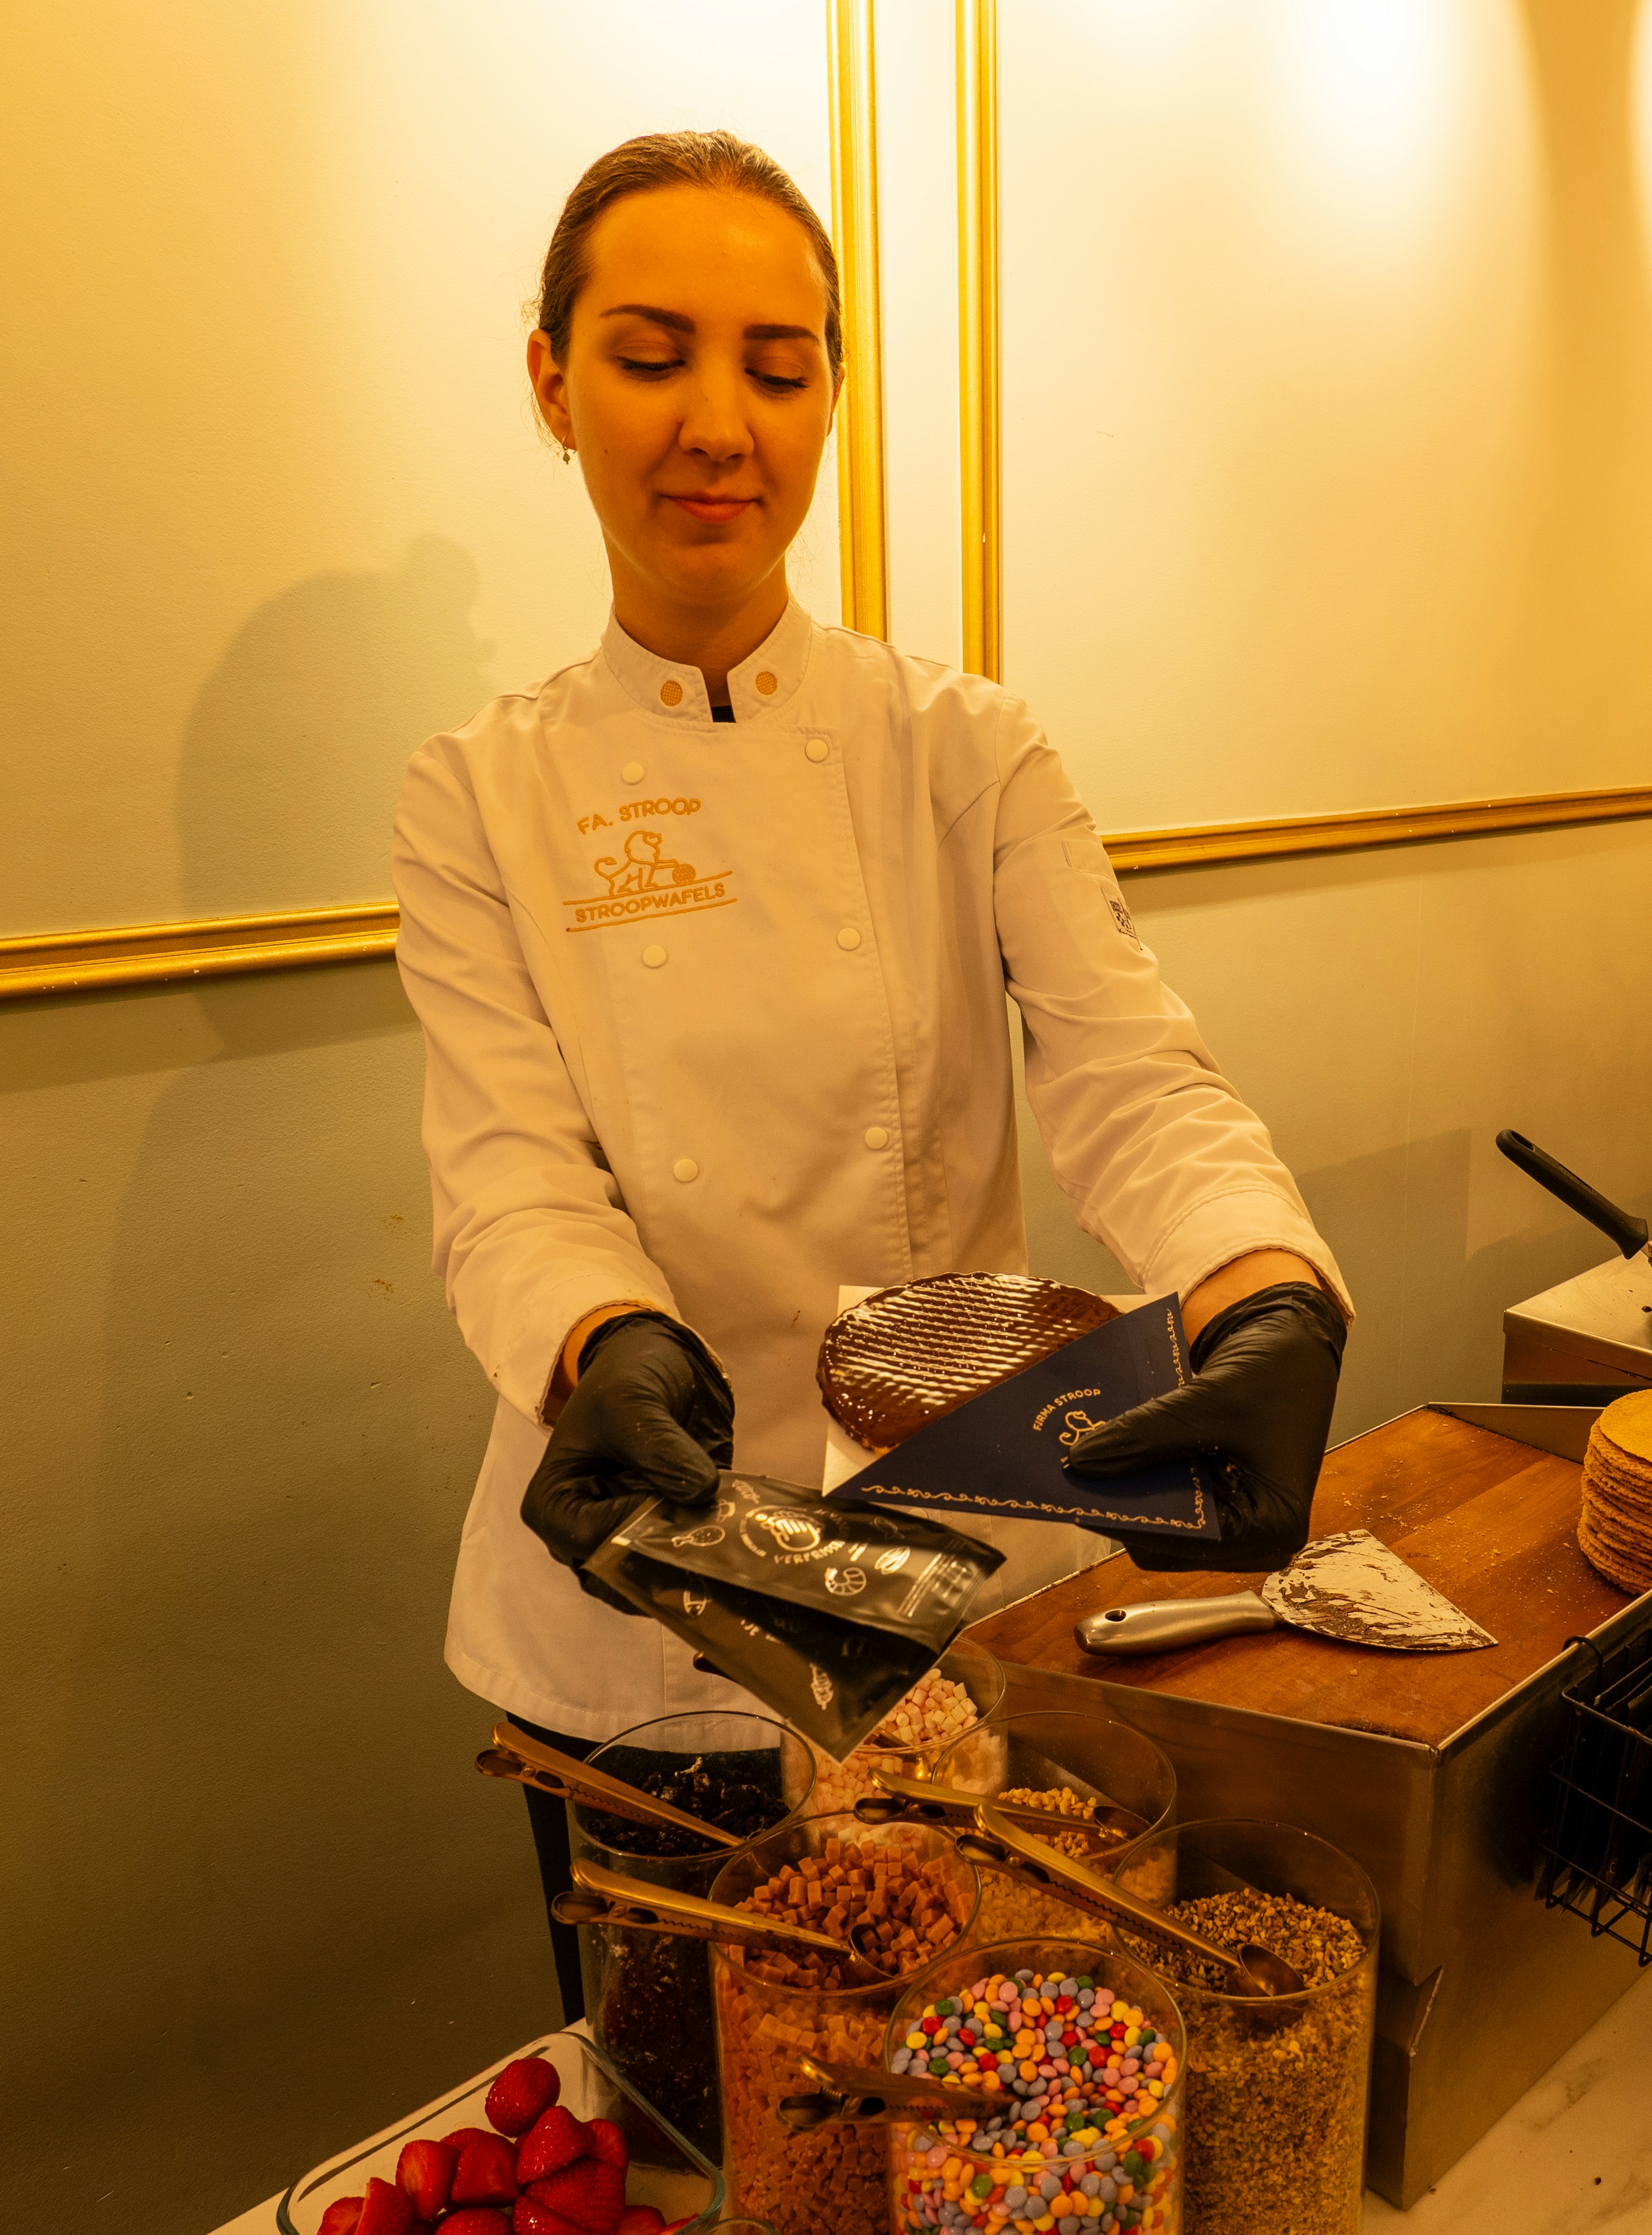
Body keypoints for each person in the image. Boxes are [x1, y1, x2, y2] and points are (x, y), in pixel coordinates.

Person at [391, 131, 1350, 2019]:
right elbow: (507, 1171)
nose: (718, 425)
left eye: (778, 362)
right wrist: (603, 1337)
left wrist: (1265, 1289)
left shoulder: (962, 748)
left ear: (834, 388)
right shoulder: (477, 791)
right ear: (550, 382)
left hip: (945, 1591)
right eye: (653, 355)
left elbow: (1131, 1074)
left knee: (957, 2119)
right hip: (633, 1605)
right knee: (694, 2141)